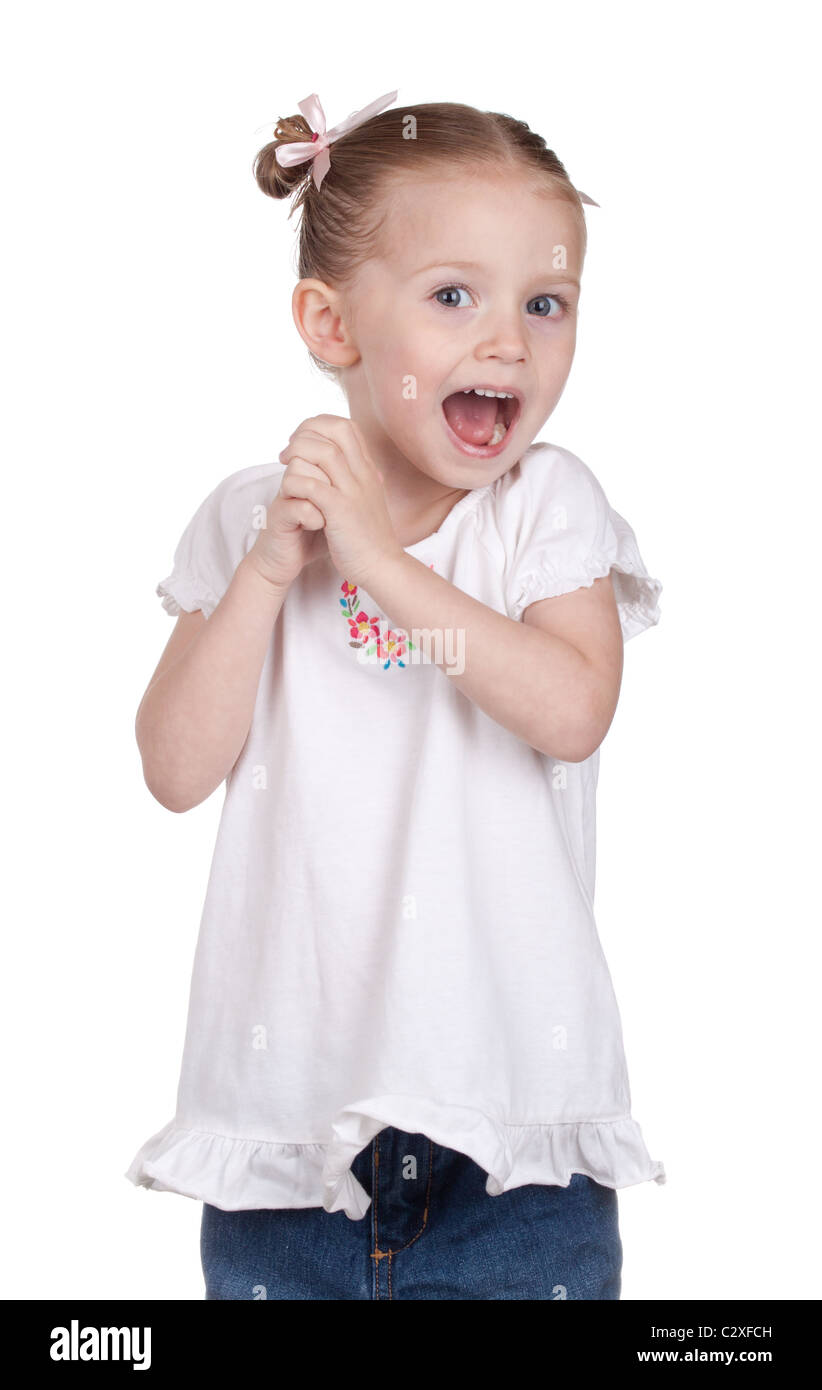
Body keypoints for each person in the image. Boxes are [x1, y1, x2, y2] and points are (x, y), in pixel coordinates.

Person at [126, 90, 666, 1301]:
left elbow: (573, 704)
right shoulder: (248, 515)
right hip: (290, 1150)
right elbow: (172, 767)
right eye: (453, 296)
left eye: (547, 303)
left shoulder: (545, 505)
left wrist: (378, 558)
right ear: (330, 323)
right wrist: (274, 565)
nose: (509, 343)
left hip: (515, 1158)